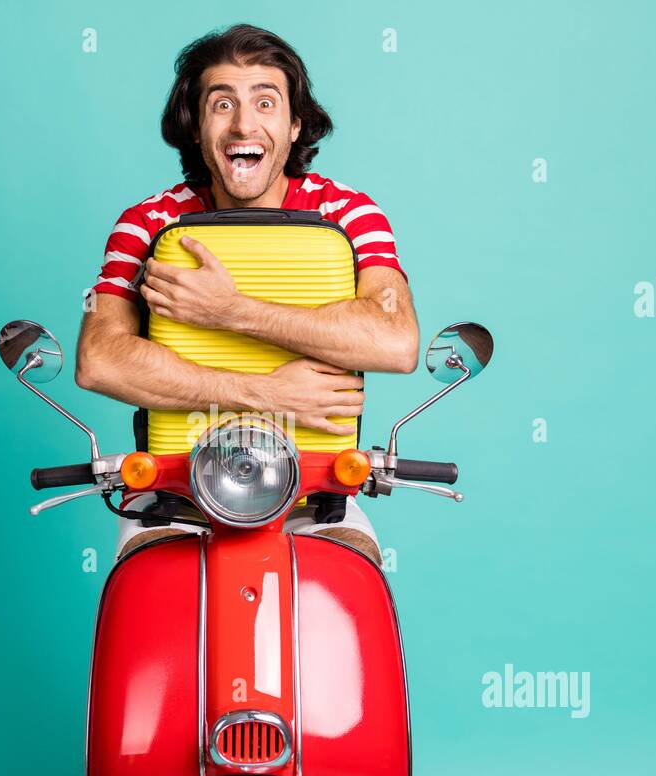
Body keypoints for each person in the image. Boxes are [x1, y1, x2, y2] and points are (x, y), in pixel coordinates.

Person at [76, 23, 420, 565]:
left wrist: (231, 311)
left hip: (317, 494)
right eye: (221, 104)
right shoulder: (147, 222)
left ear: (294, 124)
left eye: (265, 102)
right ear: (195, 127)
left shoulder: (349, 213)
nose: (243, 124)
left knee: (350, 587)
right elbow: (98, 359)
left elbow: (395, 342)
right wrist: (264, 393)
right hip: (175, 493)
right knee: (146, 595)